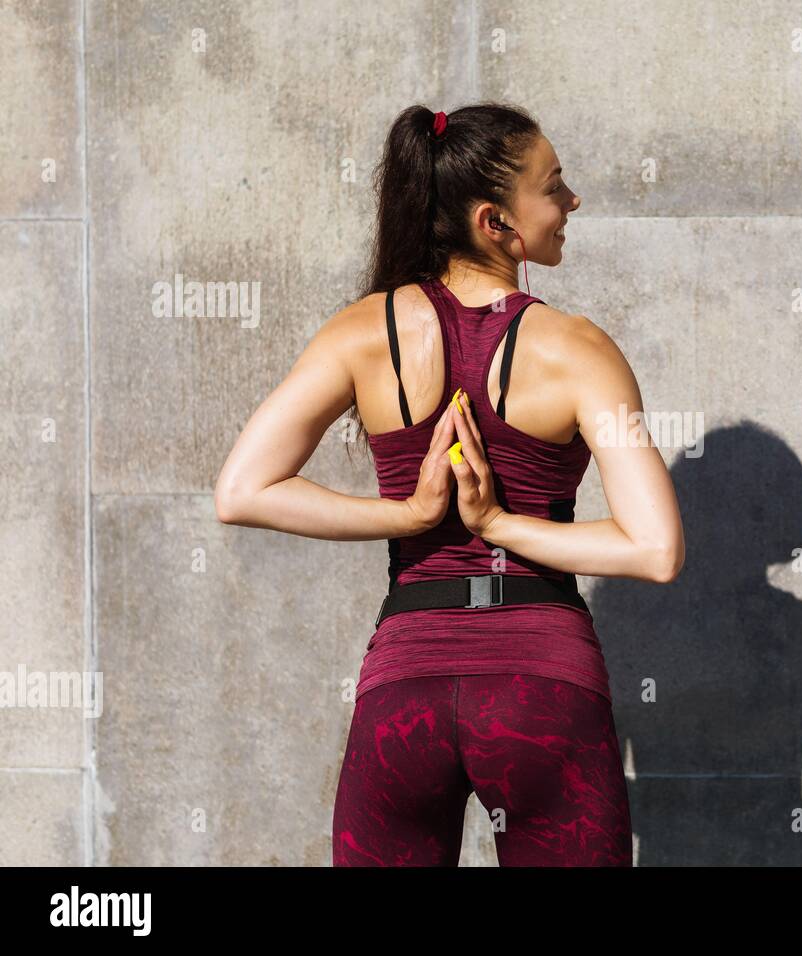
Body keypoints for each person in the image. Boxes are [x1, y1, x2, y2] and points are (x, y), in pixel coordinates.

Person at [214, 103, 684, 866]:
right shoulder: (578, 348)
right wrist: (500, 526)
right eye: (555, 187)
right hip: (543, 694)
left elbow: (242, 490)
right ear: (497, 221)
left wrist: (408, 514)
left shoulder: (361, 331)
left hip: (406, 694)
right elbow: (656, 549)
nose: (572, 204)